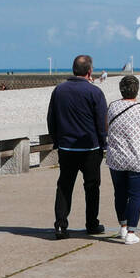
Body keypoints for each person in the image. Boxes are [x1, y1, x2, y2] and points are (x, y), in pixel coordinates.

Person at [47, 54, 108, 239]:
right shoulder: (95, 92)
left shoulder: (59, 90)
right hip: (89, 148)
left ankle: (60, 225)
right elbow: (101, 122)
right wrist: (103, 144)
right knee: (92, 187)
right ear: (89, 71)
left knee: (64, 186)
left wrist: (56, 140)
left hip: (66, 148)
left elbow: (51, 119)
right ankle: (91, 224)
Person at [105, 74, 140, 245]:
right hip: (137, 158)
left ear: (121, 89)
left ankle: (122, 226)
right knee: (135, 196)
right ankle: (131, 233)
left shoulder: (112, 107)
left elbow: (107, 128)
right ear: (137, 90)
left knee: (119, 193)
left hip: (117, 158)